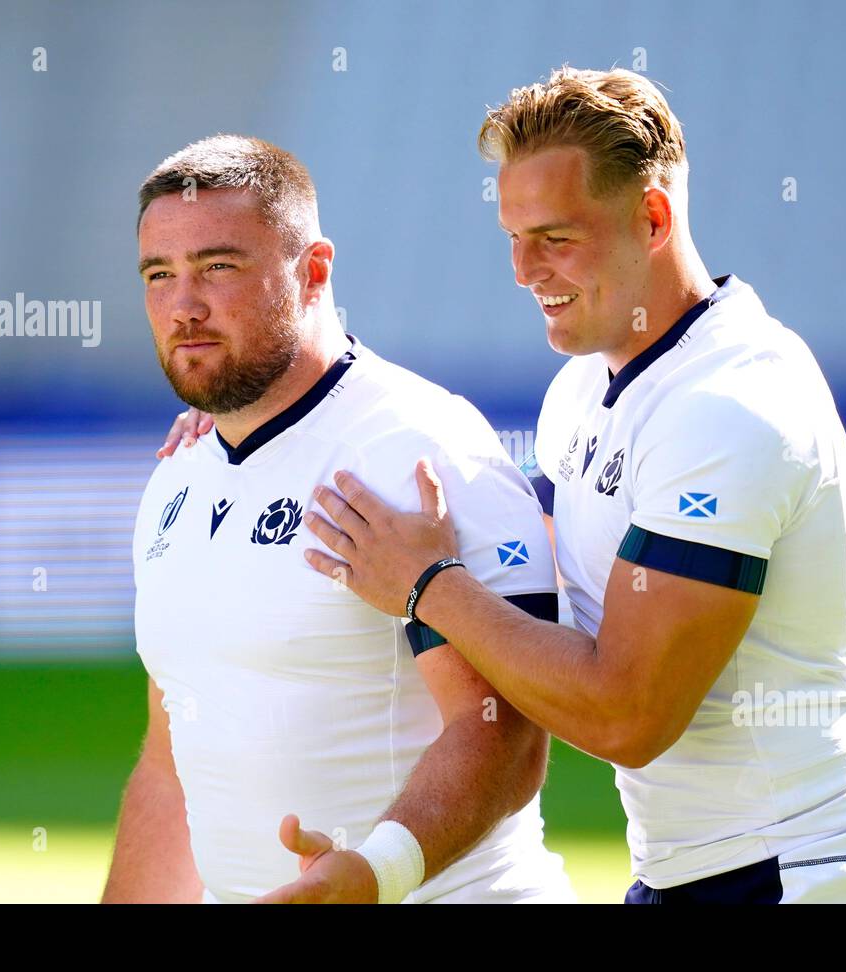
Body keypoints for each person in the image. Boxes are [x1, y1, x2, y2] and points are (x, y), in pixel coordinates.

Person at [291, 68, 846, 904]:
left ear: (654, 217)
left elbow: (626, 715)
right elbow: (521, 596)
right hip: (685, 874)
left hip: (808, 870)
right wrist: (240, 415)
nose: (525, 271)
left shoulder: (732, 401)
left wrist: (427, 585)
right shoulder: (586, 387)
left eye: (555, 237)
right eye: (512, 236)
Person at [105, 134, 574, 904]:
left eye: (218, 266)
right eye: (160, 274)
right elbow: (168, 765)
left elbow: (501, 732)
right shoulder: (175, 480)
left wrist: (374, 874)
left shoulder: (419, 449)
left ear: (313, 272)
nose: (184, 305)